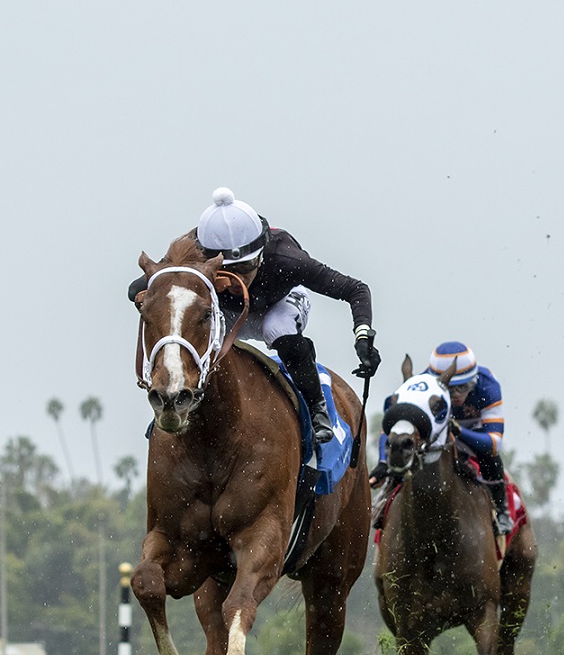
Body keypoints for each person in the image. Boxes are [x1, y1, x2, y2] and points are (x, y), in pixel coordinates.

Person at [130, 187, 380, 444]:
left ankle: (317, 406)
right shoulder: (194, 251)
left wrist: (362, 335)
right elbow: (137, 290)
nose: (239, 279)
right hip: (227, 313)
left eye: (246, 266)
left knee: (278, 329)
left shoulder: (286, 258)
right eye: (227, 271)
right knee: (192, 323)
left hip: (279, 304)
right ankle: (173, 398)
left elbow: (356, 289)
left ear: (261, 255)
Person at [371, 341, 512, 535]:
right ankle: (386, 497)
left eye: (464, 387)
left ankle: (501, 509)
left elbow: (494, 443)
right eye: (451, 389)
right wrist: (382, 461)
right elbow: (393, 427)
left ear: (474, 380)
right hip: (437, 434)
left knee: (491, 458)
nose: (456, 396)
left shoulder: (488, 385)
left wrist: (458, 431)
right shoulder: (422, 384)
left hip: (472, 432)